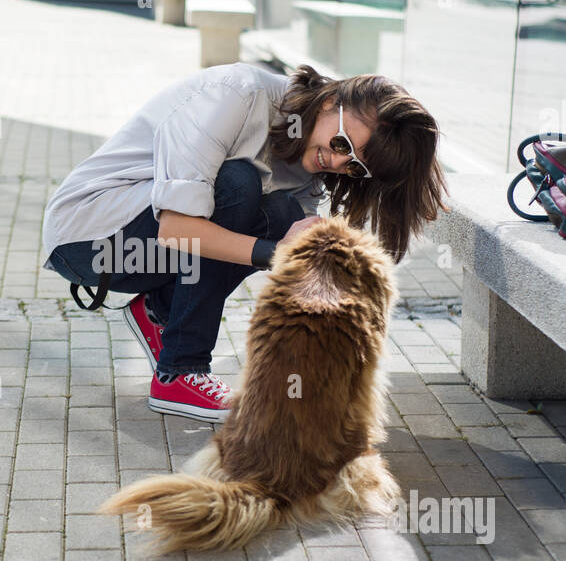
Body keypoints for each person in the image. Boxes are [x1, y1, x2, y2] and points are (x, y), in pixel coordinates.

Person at [41, 63, 448, 423]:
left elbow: (295, 252)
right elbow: (175, 229)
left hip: (147, 248)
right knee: (238, 181)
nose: (337, 161)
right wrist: (274, 252)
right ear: (330, 101)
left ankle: (159, 311)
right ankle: (179, 371)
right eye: (342, 144)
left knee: (290, 217)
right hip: (90, 238)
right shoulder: (234, 96)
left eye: (354, 165)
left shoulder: (310, 156)